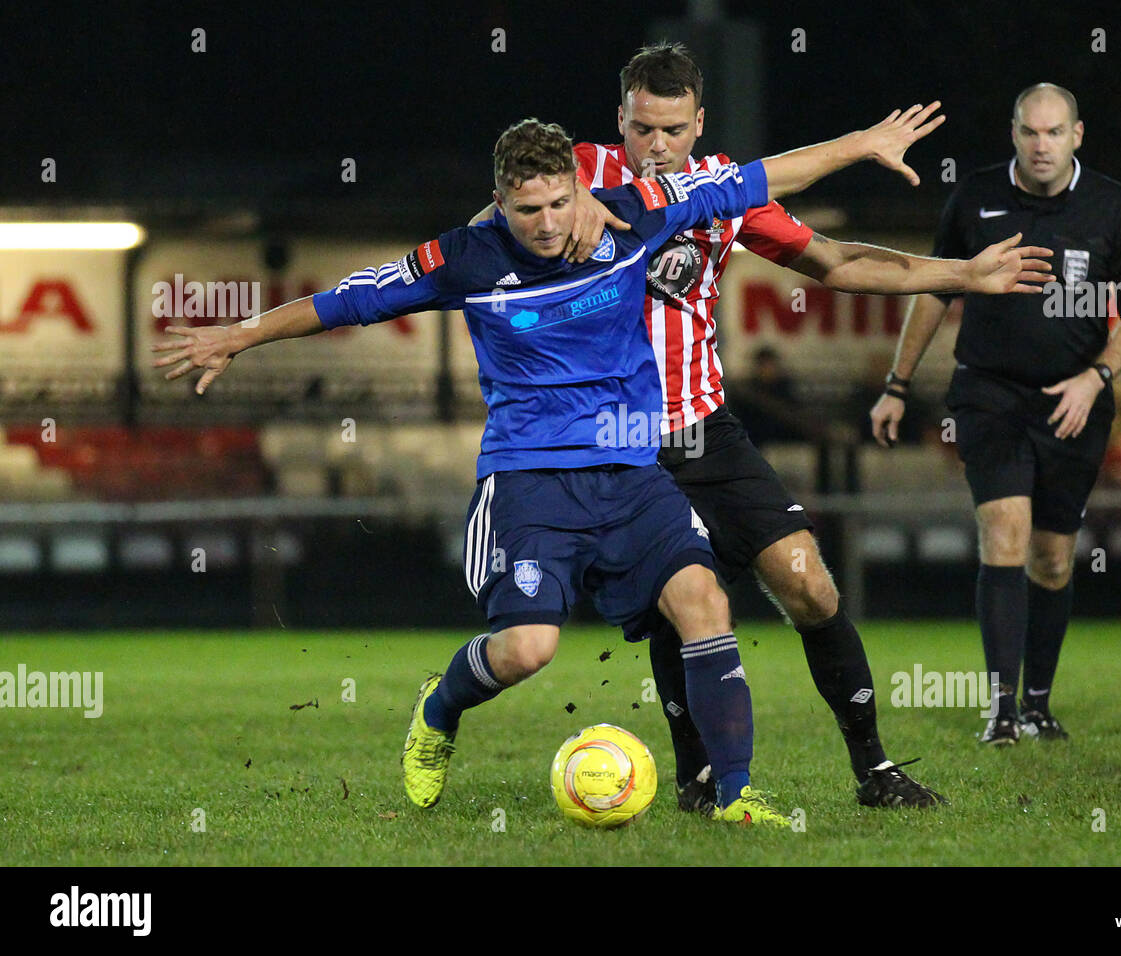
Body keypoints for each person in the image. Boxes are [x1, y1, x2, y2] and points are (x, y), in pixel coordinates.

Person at [153, 115, 923, 827]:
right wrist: (237, 336)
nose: (549, 224)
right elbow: (349, 300)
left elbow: (756, 178)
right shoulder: (467, 256)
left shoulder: (634, 213)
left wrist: (861, 145)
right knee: (527, 650)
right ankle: (440, 710)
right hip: (531, 480)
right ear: (499, 203)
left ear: (578, 189)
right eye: (529, 211)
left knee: (703, 601)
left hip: (632, 472)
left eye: (560, 203)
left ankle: (733, 795)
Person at [483, 43, 1054, 809]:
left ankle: (874, 770)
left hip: (707, 430)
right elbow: (484, 236)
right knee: (677, 605)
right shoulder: (574, 179)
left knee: (808, 584)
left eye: (674, 130)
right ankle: (700, 779)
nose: (657, 147)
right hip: (617, 444)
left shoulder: (722, 190)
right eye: (643, 128)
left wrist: (964, 273)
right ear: (619, 120)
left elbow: (836, 263)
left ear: (699, 124)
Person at [871, 83, 1121, 746]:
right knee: (1005, 531)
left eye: (1055, 132)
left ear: (1077, 135)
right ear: (1014, 133)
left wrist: (1096, 377)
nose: (1042, 144)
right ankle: (1001, 708)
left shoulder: (1114, 206)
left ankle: (1038, 701)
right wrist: (896, 383)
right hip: (989, 394)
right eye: (1031, 132)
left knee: (1054, 557)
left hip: (1073, 401)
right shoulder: (974, 197)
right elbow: (933, 291)